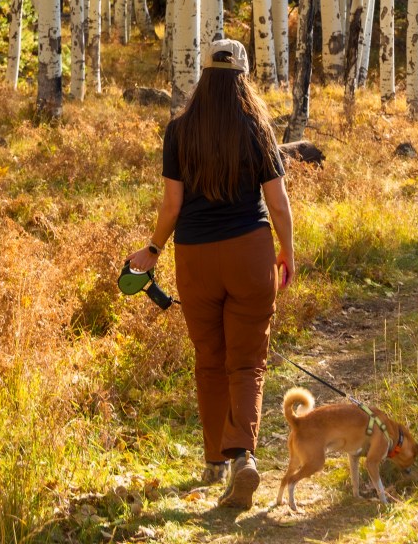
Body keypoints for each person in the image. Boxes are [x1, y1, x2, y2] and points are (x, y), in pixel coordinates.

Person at [128, 38, 295, 509]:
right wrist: (287, 251)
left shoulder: (179, 129)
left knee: (209, 358)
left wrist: (155, 249)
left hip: (196, 257)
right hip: (250, 252)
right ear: (242, 76)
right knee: (246, 361)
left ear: (203, 76)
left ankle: (212, 461)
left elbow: (172, 205)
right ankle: (242, 456)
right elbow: (278, 202)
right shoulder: (256, 127)